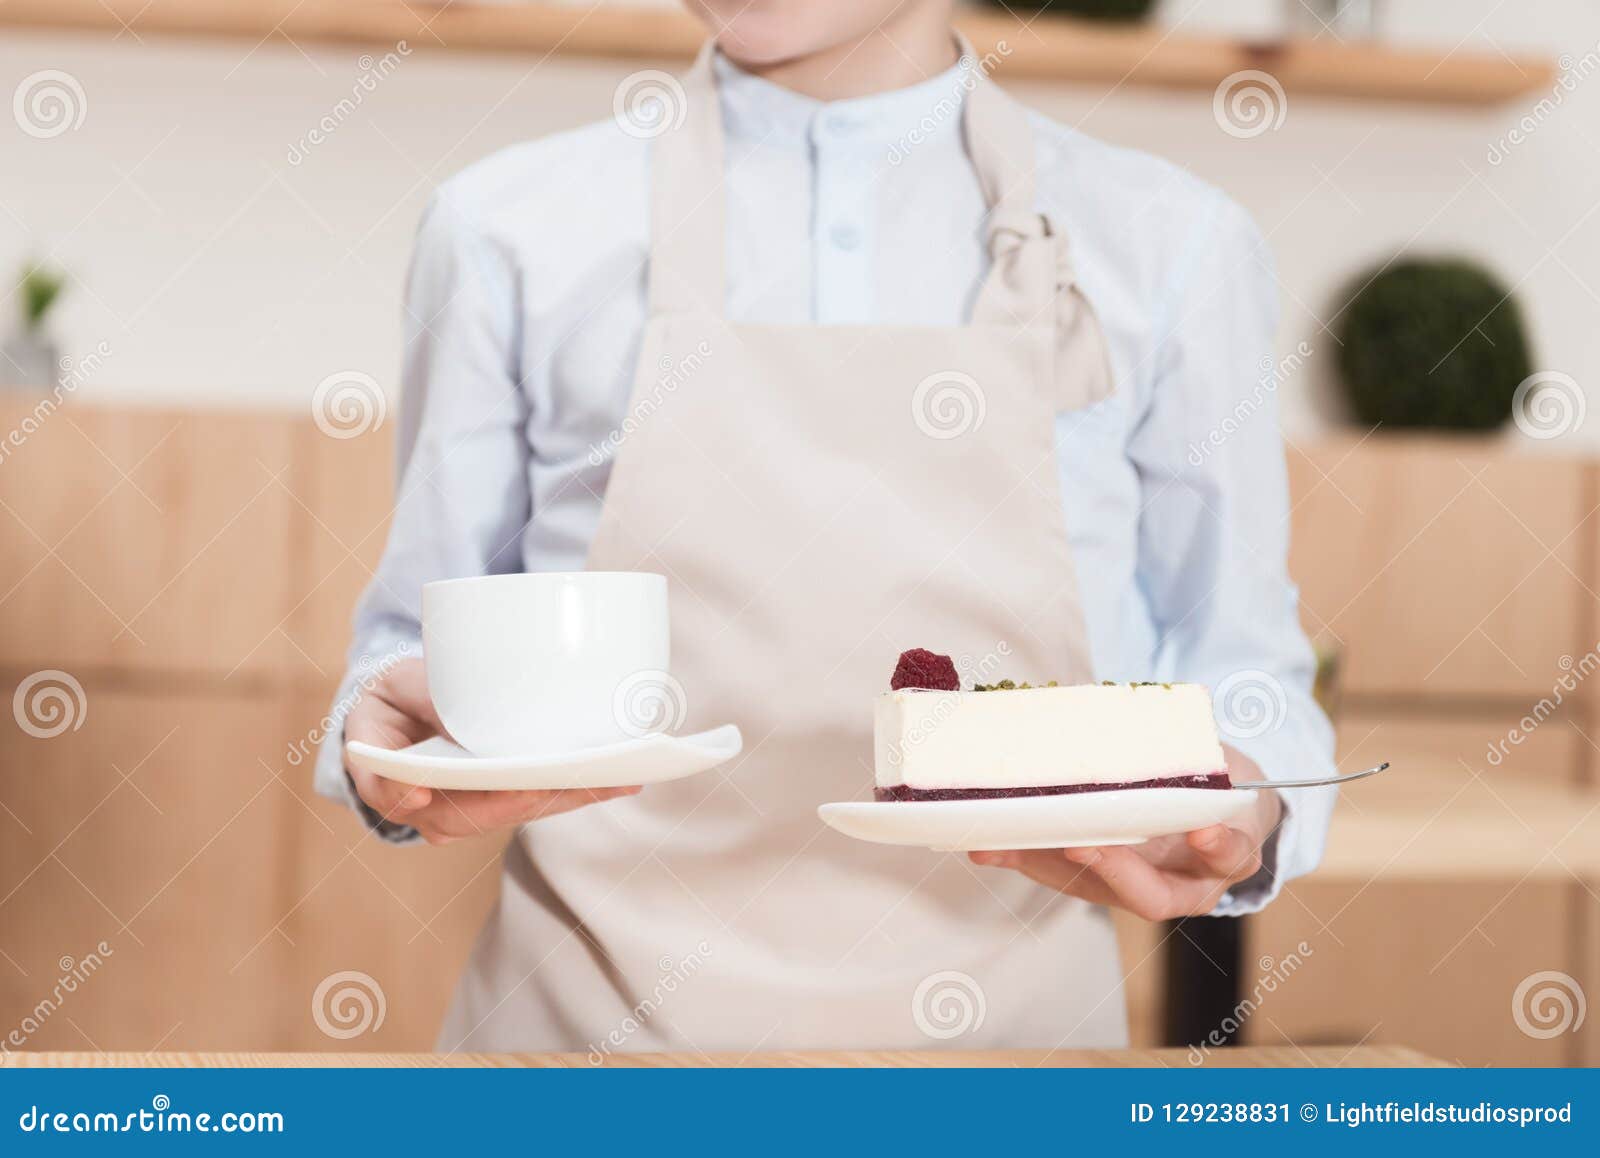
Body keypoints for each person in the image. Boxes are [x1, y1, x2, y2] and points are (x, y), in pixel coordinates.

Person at [315, 0, 1336, 1052]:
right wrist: (383, 747)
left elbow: (1247, 674)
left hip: (1015, 1064)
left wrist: (1244, 816)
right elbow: (404, 650)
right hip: (581, 1057)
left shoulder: (1173, 244)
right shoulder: (501, 229)